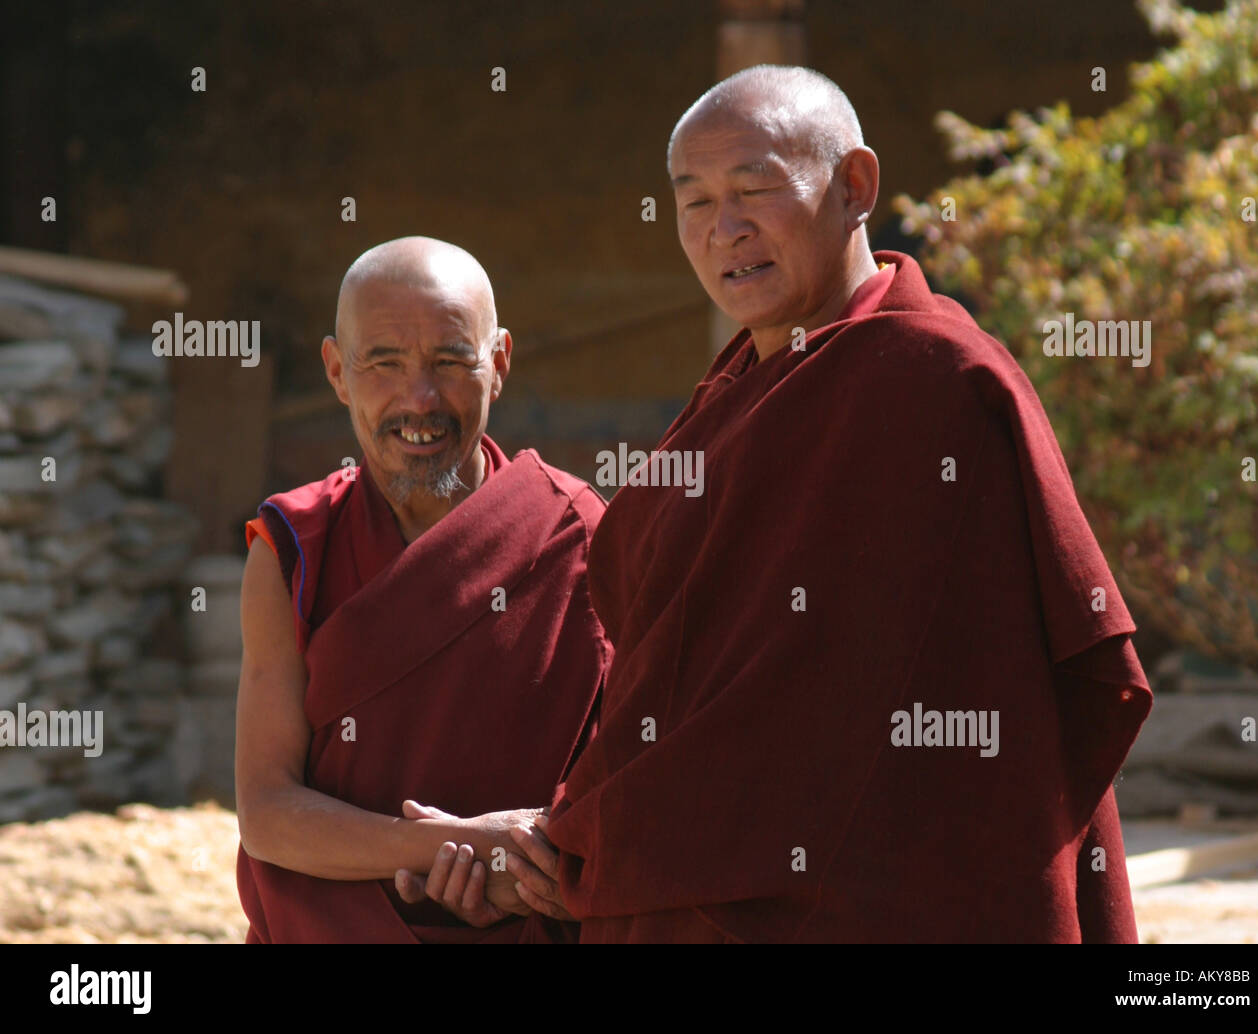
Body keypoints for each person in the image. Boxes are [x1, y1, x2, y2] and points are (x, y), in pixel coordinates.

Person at [510, 65, 1153, 942]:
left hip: (869, 893)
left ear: (854, 186)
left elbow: (836, 707)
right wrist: (585, 827)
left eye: (755, 188)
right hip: (689, 868)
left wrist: (605, 837)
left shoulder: (932, 382)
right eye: (692, 202)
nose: (722, 229)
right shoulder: (745, 380)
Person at [234, 237, 609, 943]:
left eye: (449, 360)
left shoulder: (577, 535)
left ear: (497, 365)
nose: (419, 400)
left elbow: (621, 783)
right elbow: (268, 812)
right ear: (338, 372)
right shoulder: (292, 548)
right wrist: (455, 849)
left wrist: (531, 869)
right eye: (383, 363)